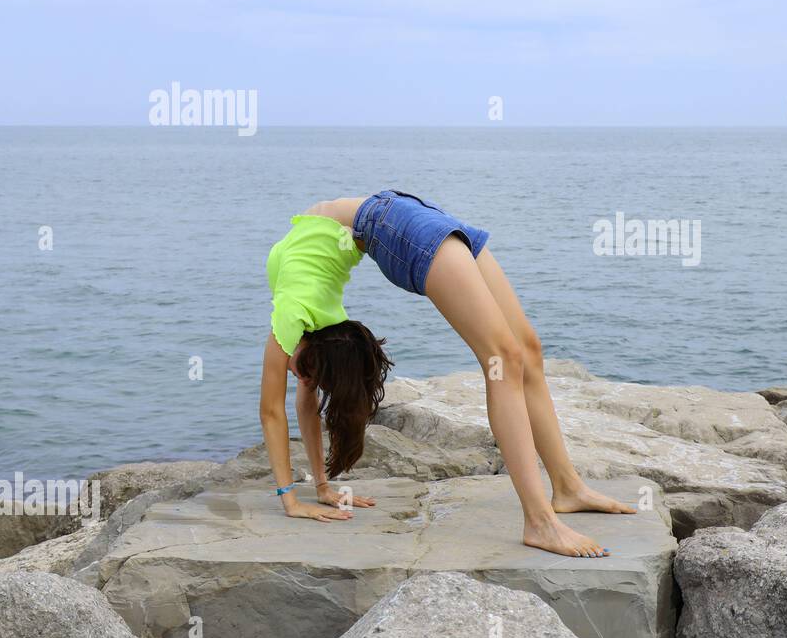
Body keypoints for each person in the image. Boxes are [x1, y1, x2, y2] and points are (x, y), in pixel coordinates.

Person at [259, 190, 633, 558]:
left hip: (393, 221)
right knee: (504, 358)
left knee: (524, 350)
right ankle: (540, 520)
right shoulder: (323, 332)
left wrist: (289, 500)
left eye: (304, 374)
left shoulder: (291, 318)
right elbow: (306, 403)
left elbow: (272, 410)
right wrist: (321, 486)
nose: (301, 380)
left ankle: (567, 488)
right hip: (398, 212)